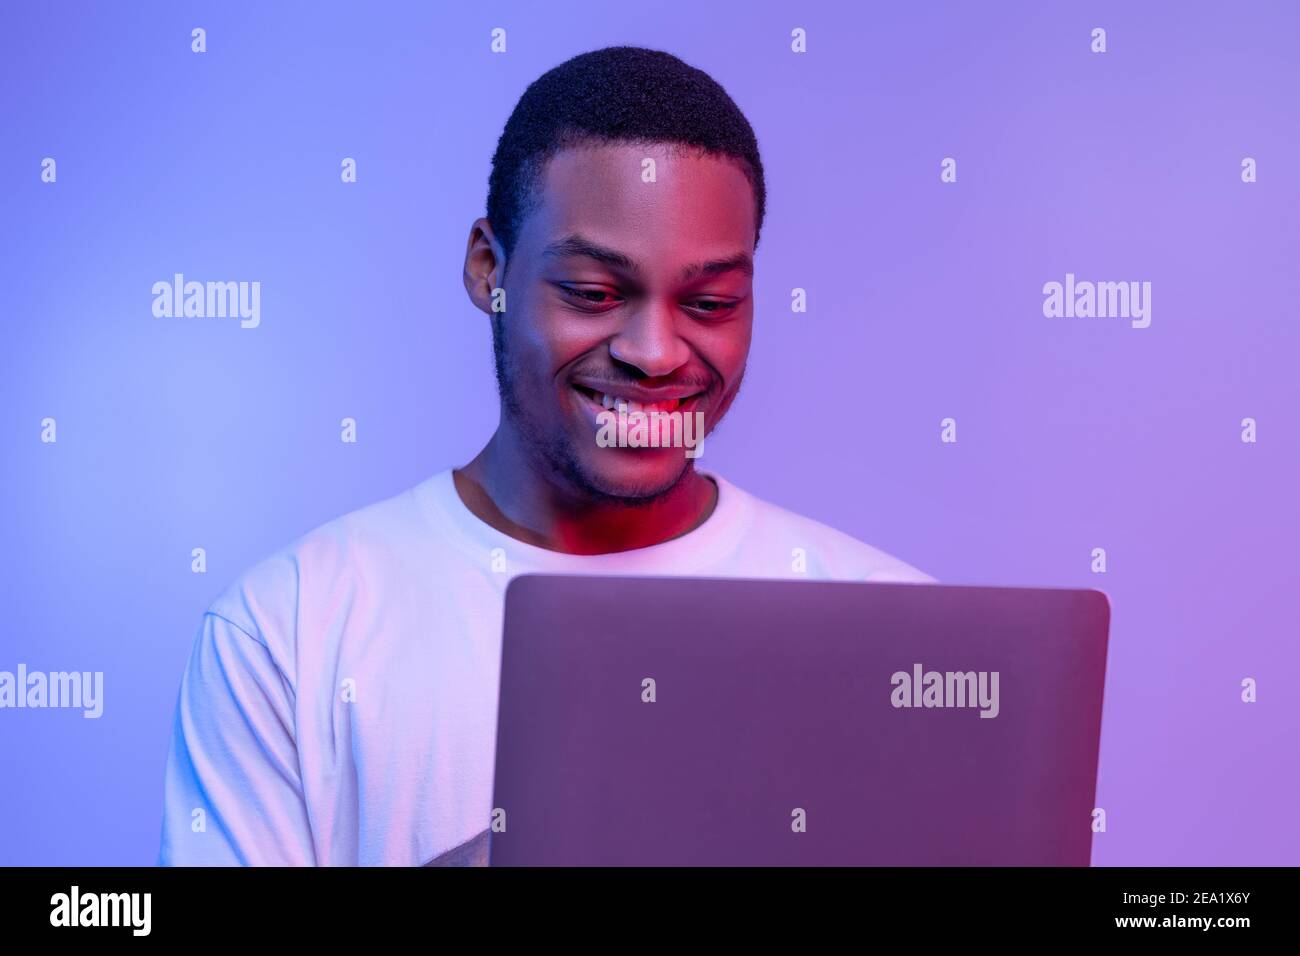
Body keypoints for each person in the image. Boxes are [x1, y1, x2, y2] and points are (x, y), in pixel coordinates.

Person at [158, 45, 933, 867]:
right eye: (594, 294)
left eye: (709, 303)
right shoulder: (287, 633)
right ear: (489, 268)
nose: (657, 352)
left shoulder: (898, 633)